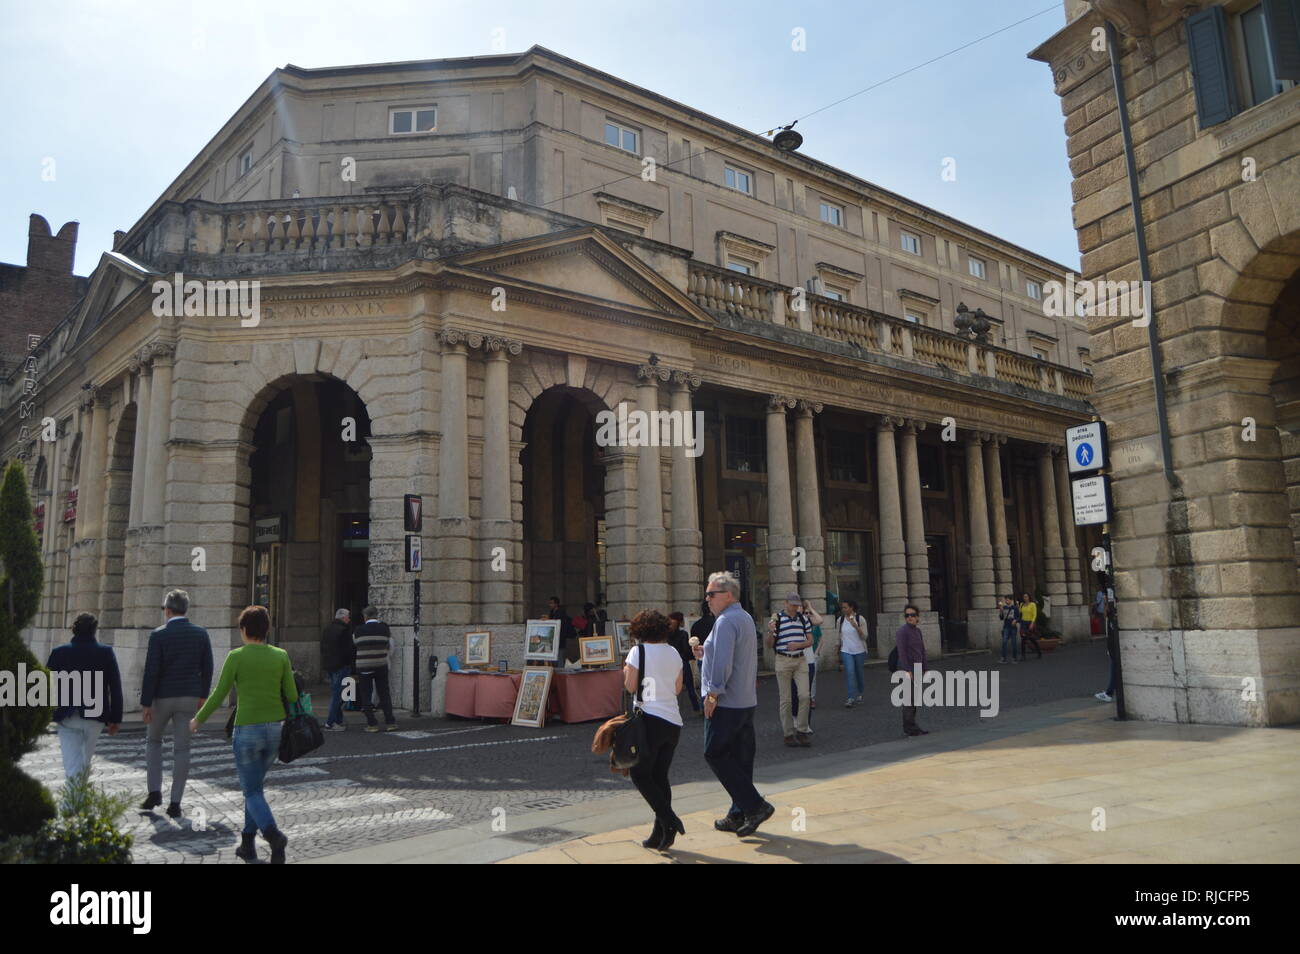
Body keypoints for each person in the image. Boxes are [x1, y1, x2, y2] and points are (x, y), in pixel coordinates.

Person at [191, 605, 298, 864]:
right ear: (267, 629)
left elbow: (219, 693)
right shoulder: (281, 655)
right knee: (255, 788)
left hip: (247, 729)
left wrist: (198, 719)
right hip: (275, 729)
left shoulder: (236, 656)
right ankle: (247, 845)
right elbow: (293, 695)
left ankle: (274, 836)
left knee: (251, 791)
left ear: (243, 630)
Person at [696, 571, 773, 837]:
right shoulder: (744, 617)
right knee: (741, 759)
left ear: (727, 595)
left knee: (714, 753)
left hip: (727, 702)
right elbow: (730, 656)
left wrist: (713, 694)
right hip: (745, 701)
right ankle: (737, 814)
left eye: (711, 594)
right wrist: (704, 653)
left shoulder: (726, 621)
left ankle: (755, 806)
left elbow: (724, 663)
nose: (707, 599)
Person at [140, 588, 213, 818]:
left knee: (153, 741)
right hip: (189, 696)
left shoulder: (158, 635)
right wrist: (203, 695)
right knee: (182, 749)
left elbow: (151, 671)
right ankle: (175, 802)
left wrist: (146, 703)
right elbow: (208, 667)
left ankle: (154, 792)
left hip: (162, 697)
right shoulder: (201, 634)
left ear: (169, 610)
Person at [624, 610, 686, 851]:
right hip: (672, 720)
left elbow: (630, 686)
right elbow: (678, 687)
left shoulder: (637, 652)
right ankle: (659, 833)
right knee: (660, 776)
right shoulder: (673, 652)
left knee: (639, 774)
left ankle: (669, 821)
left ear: (640, 630)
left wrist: (626, 671)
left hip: (648, 719)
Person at [47, 613, 123, 780]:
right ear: (94, 630)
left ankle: (72, 805)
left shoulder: (59, 653)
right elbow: (115, 687)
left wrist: (44, 714)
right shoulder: (105, 652)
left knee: (73, 767)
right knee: (83, 765)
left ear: (74, 629)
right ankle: (77, 804)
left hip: (67, 716)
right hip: (95, 717)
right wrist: (115, 719)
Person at [766, 591, 813, 747]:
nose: (794, 608)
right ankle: (788, 733)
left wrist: (798, 645)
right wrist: (771, 631)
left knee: (805, 696)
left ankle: (802, 729)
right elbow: (769, 644)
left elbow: (810, 641)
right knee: (785, 699)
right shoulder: (778, 619)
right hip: (783, 659)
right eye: (792, 604)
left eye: (796, 605)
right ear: (786, 603)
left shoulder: (803, 619)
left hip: (800, 660)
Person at [353, 605, 397, 731]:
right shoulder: (384, 628)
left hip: (364, 665)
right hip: (381, 664)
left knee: (366, 694)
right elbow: (388, 644)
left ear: (365, 616)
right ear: (376, 615)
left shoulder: (358, 630)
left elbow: (355, 643)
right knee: (384, 694)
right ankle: (390, 722)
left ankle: (372, 724)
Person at [896, 604, 929, 737]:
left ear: (917, 617)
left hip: (917, 668)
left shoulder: (917, 631)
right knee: (909, 700)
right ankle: (909, 727)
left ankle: (913, 725)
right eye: (907, 615)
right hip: (907, 669)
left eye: (912, 615)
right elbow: (902, 652)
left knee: (915, 699)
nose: (910, 617)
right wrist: (907, 670)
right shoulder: (902, 631)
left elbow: (922, 651)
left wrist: (925, 668)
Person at [320, 608, 353, 731]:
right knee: (338, 695)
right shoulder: (344, 631)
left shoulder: (327, 629)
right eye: (348, 617)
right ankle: (330, 722)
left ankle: (338, 720)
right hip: (341, 665)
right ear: (343, 618)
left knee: (336, 692)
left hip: (329, 665)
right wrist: (350, 664)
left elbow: (323, 647)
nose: (349, 619)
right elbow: (348, 650)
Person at [667, 611, 700, 714]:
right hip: (682, 662)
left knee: (670, 688)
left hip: (670, 663)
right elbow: (686, 650)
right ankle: (696, 708)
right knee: (690, 687)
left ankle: (670, 709)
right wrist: (692, 656)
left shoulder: (666, 634)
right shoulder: (683, 634)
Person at [837, 599, 868, 707]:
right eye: (842, 607)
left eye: (845, 607)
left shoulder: (860, 619)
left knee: (859, 673)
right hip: (846, 650)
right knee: (850, 673)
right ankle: (850, 697)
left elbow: (864, 636)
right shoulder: (840, 620)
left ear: (851, 608)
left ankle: (860, 693)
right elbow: (839, 636)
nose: (843, 609)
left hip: (859, 650)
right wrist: (837, 649)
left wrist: (855, 626)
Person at [548, 596, 578, 663]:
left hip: (560, 637)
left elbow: (562, 626)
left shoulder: (561, 613)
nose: (550, 605)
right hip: (554, 638)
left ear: (556, 604)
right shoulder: (552, 612)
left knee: (560, 655)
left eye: (551, 603)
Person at [1019, 593, 1042, 660]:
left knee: (1032, 639)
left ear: (1029, 597)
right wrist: (1018, 606)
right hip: (1023, 623)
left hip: (1030, 622)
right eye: (1024, 597)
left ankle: (1039, 652)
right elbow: (1020, 612)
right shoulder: (1021, 604)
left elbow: (1034, 614)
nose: (1025, 598)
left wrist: (1032, 623)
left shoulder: (1032, 604)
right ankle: (1023, 656)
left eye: (1026, 596)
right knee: (1023, 639)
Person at [998, 595, 1020, 664]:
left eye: (1007, 600)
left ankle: (1014, 658)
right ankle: (1003, 658)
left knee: (1014, 643)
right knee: (1004, 642)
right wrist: (1001, 611)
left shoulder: (1015, 608)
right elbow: (1001, 618)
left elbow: (1019, 617)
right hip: (1006, 627)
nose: (1006, 601)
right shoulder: (1004, 608)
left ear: (1011, 600)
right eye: (1005, 600)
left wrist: (1015, 620)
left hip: (1013, 627)